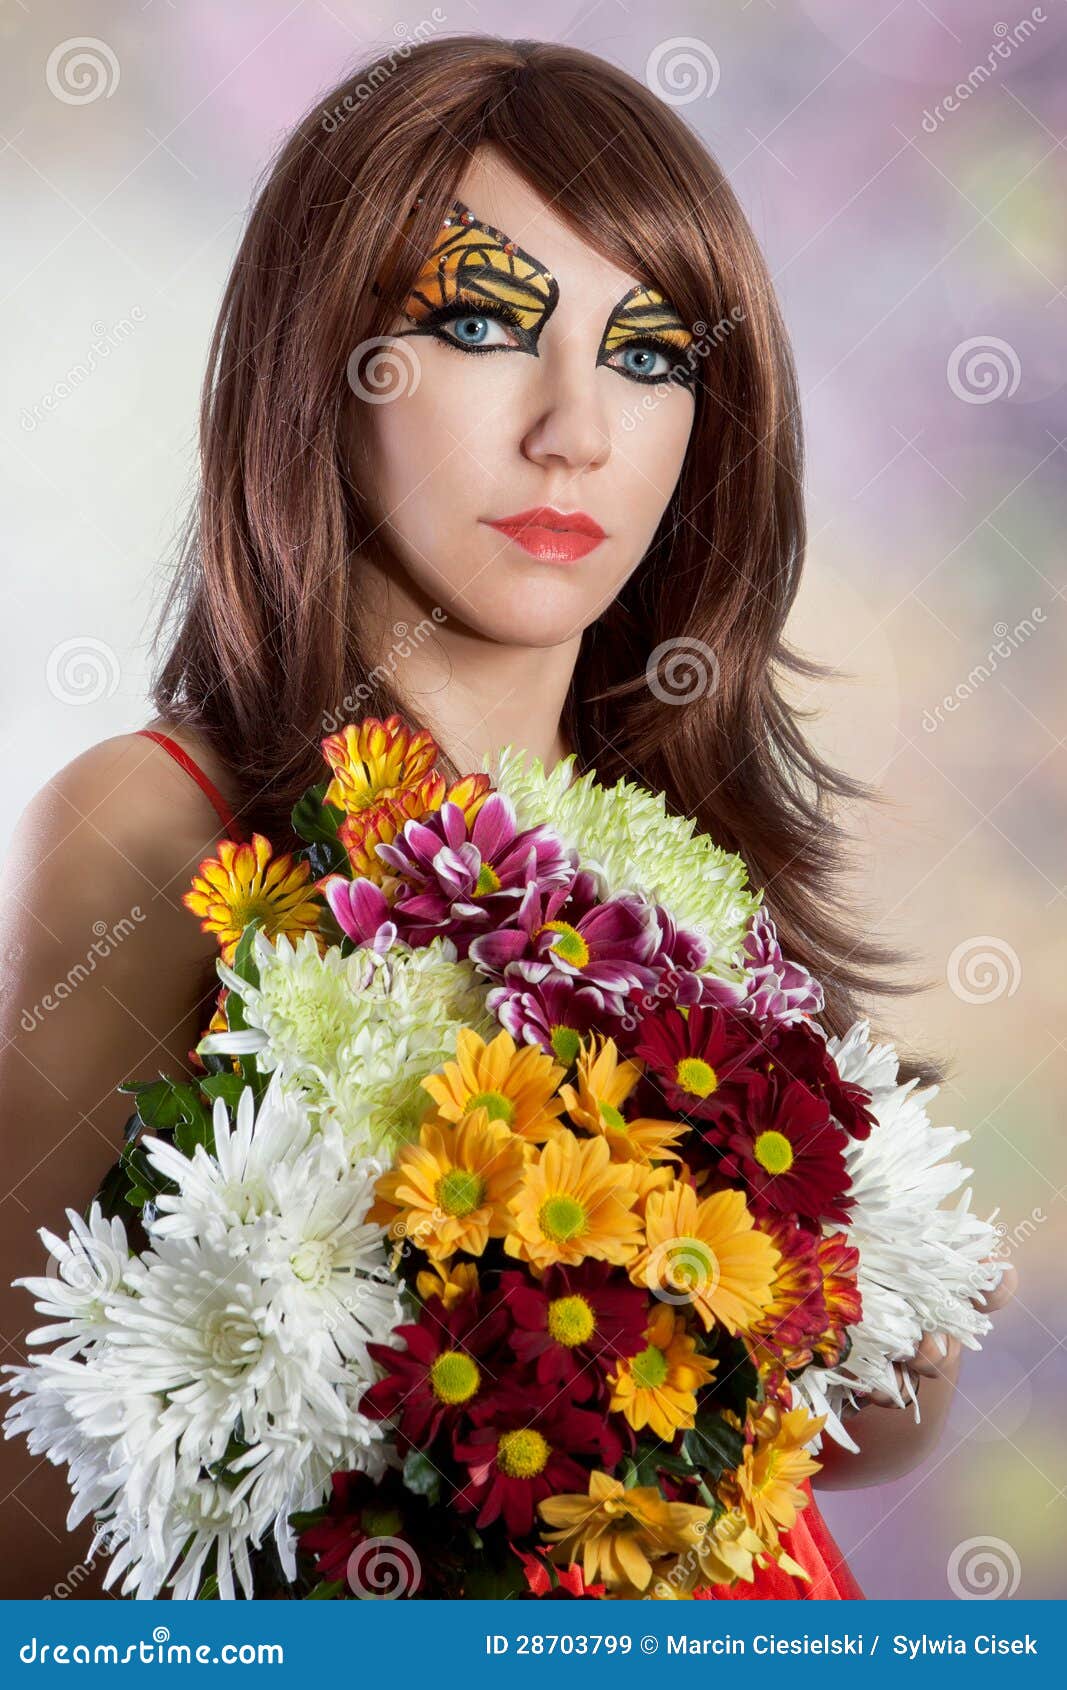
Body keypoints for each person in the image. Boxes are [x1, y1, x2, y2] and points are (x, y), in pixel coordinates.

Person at [0, 36, 1014, 1599]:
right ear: (319, 354)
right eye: (481, 325)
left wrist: (765, 1276)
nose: (576, 431)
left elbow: (885, 1409)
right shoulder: (157, 823)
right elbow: (23, 1490)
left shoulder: (685, 861)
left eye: (652, 351)